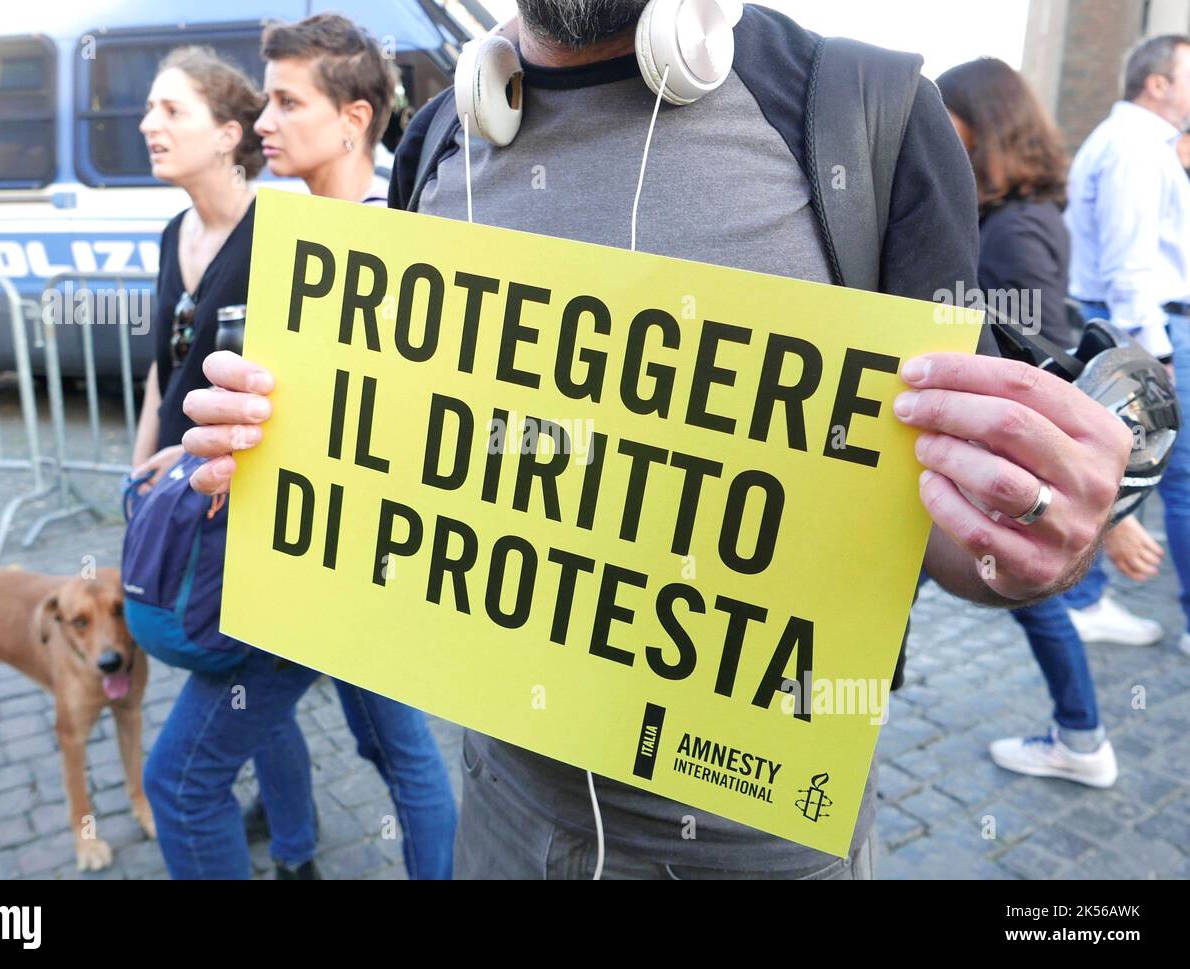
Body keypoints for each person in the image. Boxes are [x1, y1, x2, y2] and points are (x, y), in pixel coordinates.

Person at [181, 1, 1130, 879]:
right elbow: (411, 454)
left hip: (763, 839)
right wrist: (277, 441)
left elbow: (945, 533)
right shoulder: (437, 140)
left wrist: (1031, 537)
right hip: (500, 816)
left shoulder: (864, 117)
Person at [134, 33, 457, 881]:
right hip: (289, 549)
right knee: (386, 742)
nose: (262, 121)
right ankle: (297, 849)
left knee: (399, 752)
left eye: (287, 103)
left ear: (355, 120)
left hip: (352, 560)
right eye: (264, 100)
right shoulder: (287, 228)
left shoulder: (401, 238)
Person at [936, 57, 1155, 785]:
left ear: (983, 124)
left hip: (1011, 462)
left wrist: (1107, 512)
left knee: (1031, 594)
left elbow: (1049, 367)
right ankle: (1080, 732)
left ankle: (1083, 734)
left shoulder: (1016, 230)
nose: (937, 133)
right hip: (996, 455)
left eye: (949, 118)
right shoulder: (1013, 215)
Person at [1062, 34, 1190, 656]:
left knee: (1134, 471)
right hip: (1146, 326)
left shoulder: (1145, 145)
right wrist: (1157, 353)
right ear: (1157, 83)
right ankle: (1085, 600)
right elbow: (1129, 265)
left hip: (1146, 324)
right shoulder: (1136, 149)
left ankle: (1086, 599)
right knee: (1169, 477)